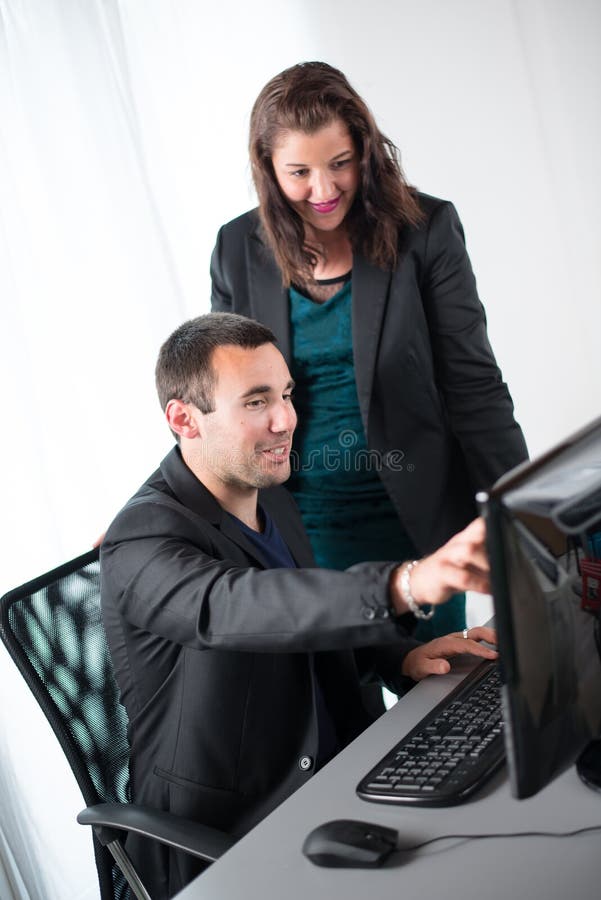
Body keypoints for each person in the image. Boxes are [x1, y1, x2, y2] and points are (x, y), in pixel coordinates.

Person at [101, 312, 498, 899]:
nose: (286, 420)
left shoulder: (269, 488)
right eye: (257, 402)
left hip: (342, 779)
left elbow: (302, 613)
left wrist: (400, 658)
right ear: (183, 419)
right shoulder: (140, 541)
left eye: (286, 394)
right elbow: (240, 608)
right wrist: (406, 585)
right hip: (234, 837)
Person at [210, 61, 528, 643]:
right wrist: (164, 516)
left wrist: (528, 523)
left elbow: (474, 385)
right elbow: (217, 402)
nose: (325, 190)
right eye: (299, 172)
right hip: (296, 528)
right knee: (343, 717)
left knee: (433, 694)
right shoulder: (238, 248)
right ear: (268, 171)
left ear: (366, 150)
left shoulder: (425, 229)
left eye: (340, 163)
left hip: (414, 519)